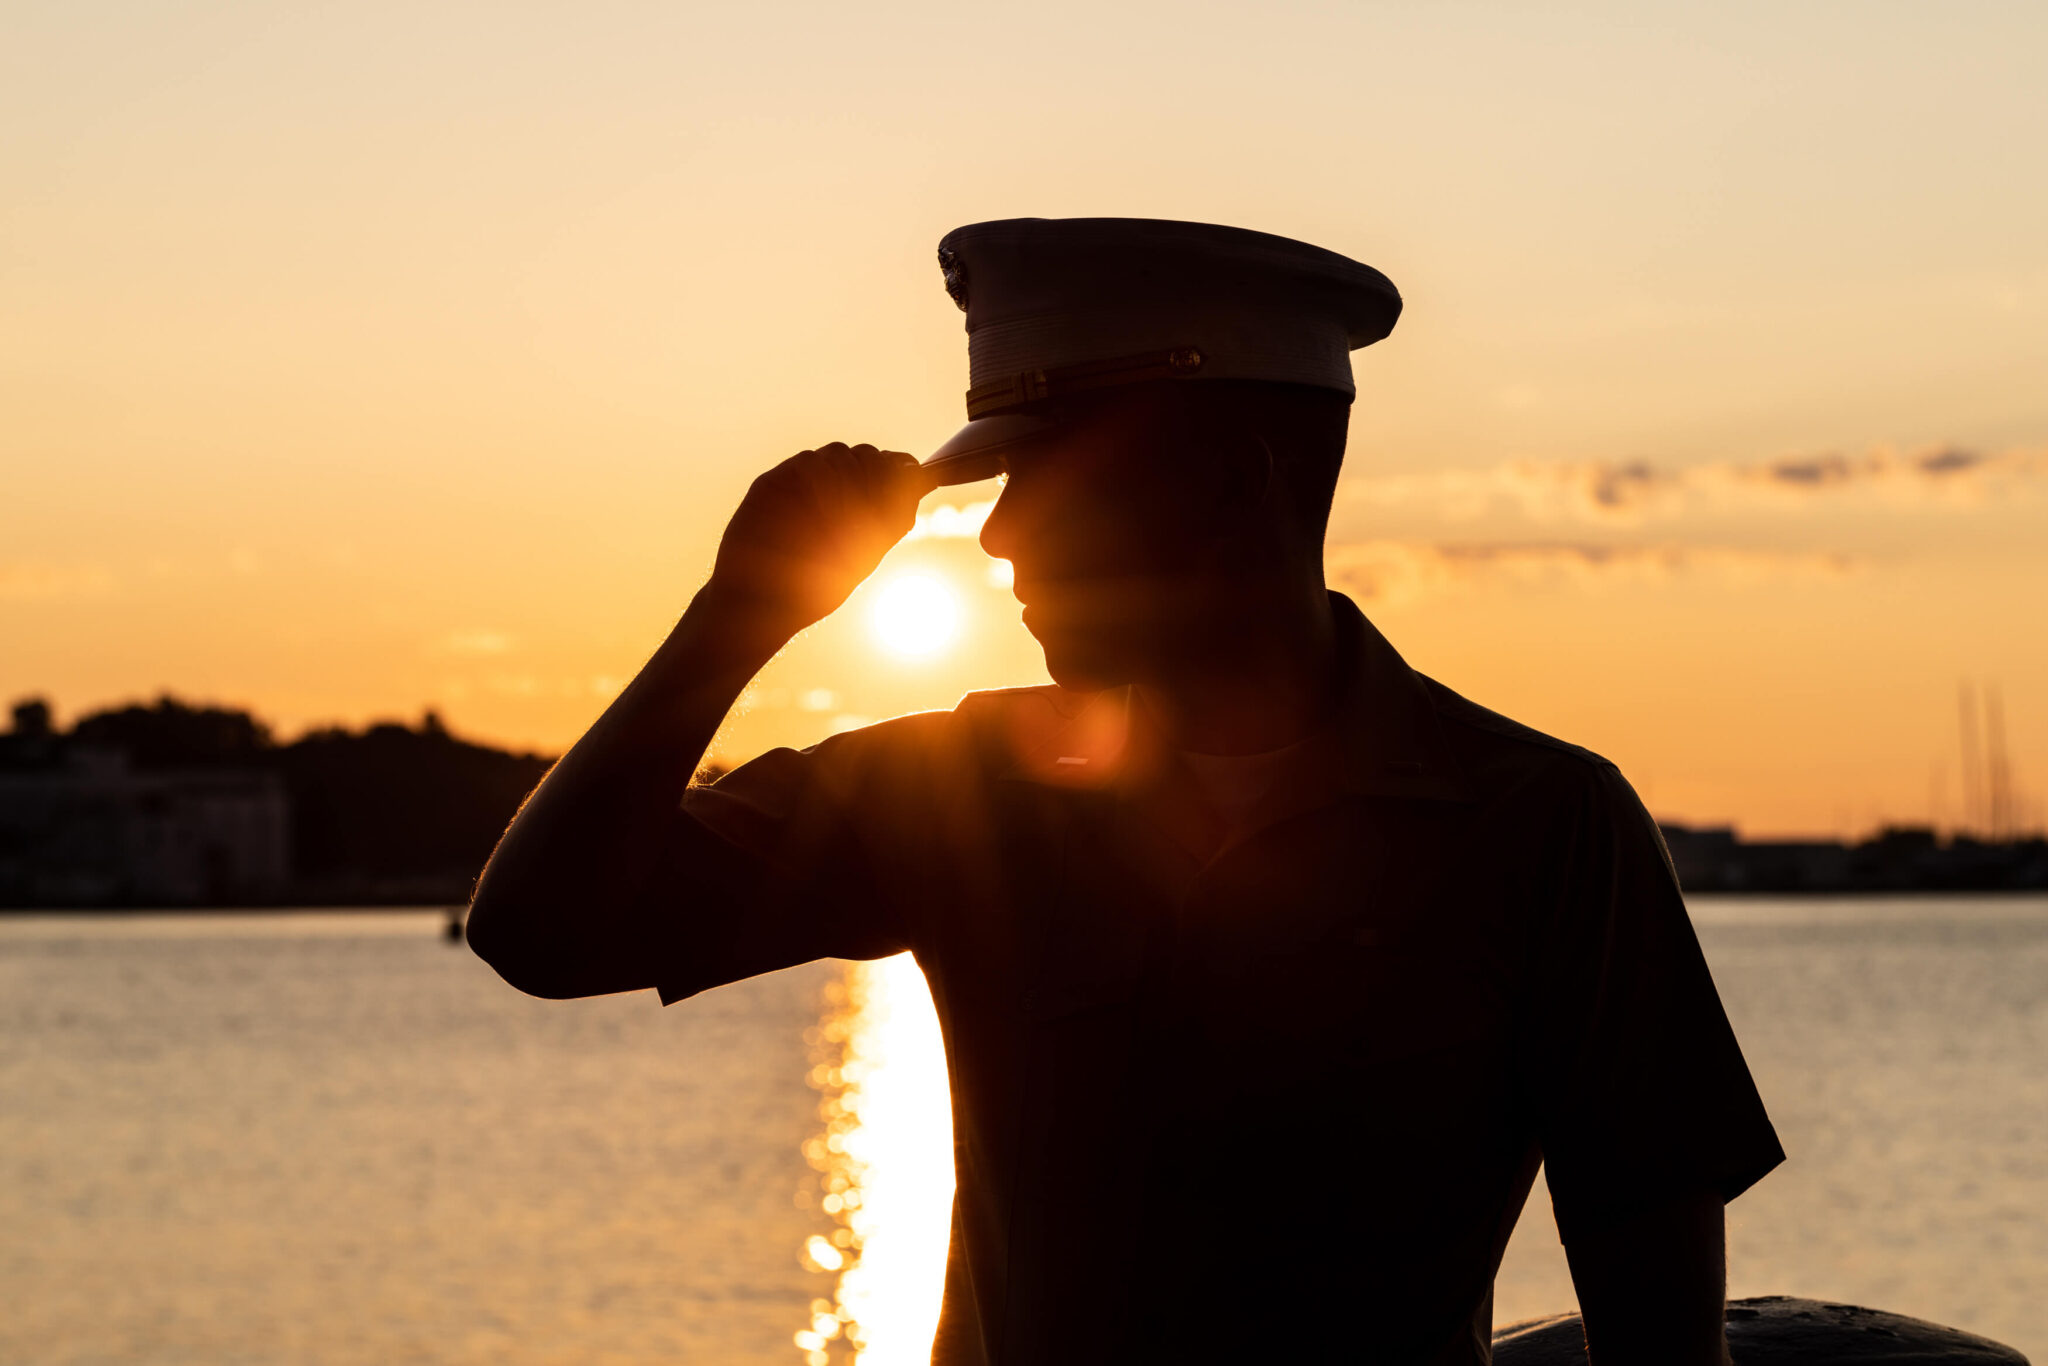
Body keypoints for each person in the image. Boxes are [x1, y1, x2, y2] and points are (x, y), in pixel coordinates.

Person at [466, 217, 1784, 1365]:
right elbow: (544, 933)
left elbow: (1661, 1337)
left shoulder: (1542, 829)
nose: (994, 534)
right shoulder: (956, 790)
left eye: (1045, 478)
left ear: (1227, 483)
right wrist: (734, 620)